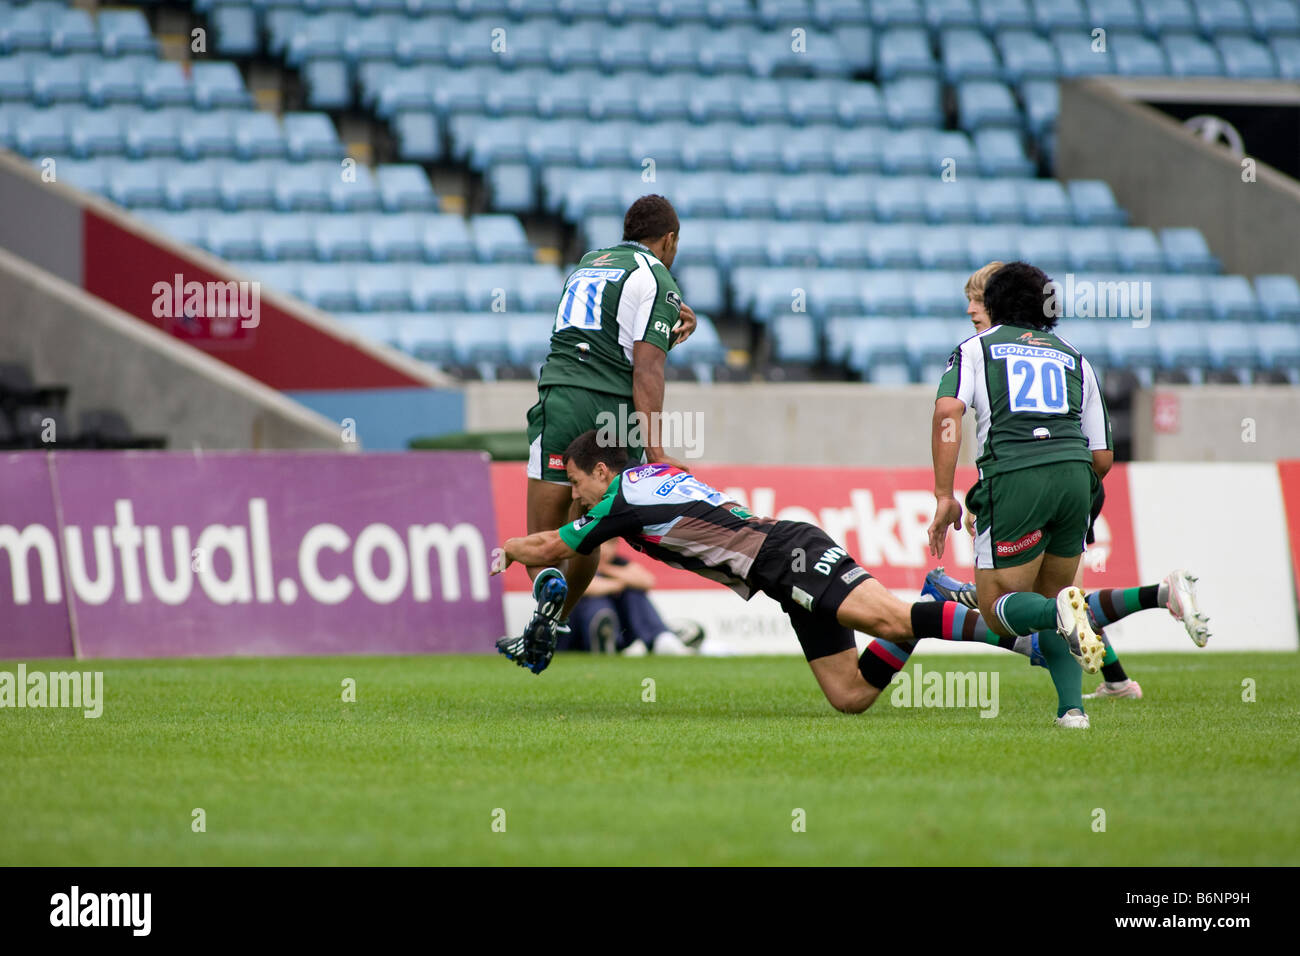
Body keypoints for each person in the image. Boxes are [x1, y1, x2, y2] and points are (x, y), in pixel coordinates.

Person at [492, 430, 1102, 714]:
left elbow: (554, 545)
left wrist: (512, 548)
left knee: (888, 615)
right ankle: (933, 603)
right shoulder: (651, 477)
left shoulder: (623, 498)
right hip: (778, 571)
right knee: (850, 696)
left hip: (788, 556)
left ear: (601, 470)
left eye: (574, 482)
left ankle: (1024, 630)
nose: (573, 496)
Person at [926, 261, 1208, 728]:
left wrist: (943, 493)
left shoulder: (976, 350)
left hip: (1015, 476)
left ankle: (1069, 628)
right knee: (1059, 593)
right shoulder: (1075, 357)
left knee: (997, 608)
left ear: (993, 304)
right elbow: (1102, 456)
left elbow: (947, 412)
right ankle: (1071, 710)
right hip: (1077, 479)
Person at [499, 194, 697, 674]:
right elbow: (646, 369)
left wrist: (673, 313)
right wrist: (657, 453)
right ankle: (560, 619)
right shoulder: (658, 276)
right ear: (668, 240)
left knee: (542, 534)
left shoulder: (587, 263)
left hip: (560, 396)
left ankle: (546, 600)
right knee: (588, 529)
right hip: (611, 411)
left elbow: (608, 320)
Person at [564, 541, 697, 655]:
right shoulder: (578, 561)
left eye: (611, 544)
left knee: (634, 593)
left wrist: (607, 570)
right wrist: (619, 584)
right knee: (596, 601)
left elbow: (647, 581)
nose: (606, 550)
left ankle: (660, 638)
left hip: (619, 625)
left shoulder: (617, 563)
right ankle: (607, 641)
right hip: (576, 629)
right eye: (603, 544)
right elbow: (581, 588)